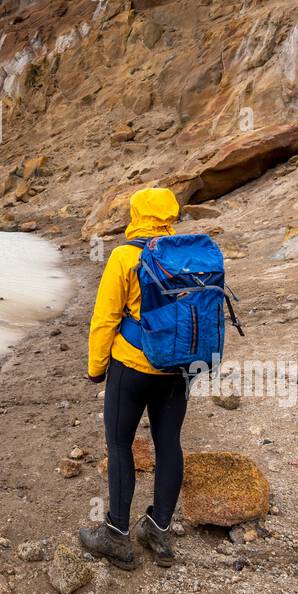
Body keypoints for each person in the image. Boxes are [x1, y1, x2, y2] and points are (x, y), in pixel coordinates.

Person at [80, 186, 188, 570]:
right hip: (176, 368)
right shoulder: (187, 253)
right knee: (168, 445)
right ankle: (159, 531)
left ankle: (117, 536)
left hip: (132, 367)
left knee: (121, 444)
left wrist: (96, 368)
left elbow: (105, 317)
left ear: (136, 214)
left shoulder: (125, 256)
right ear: (171, 215)